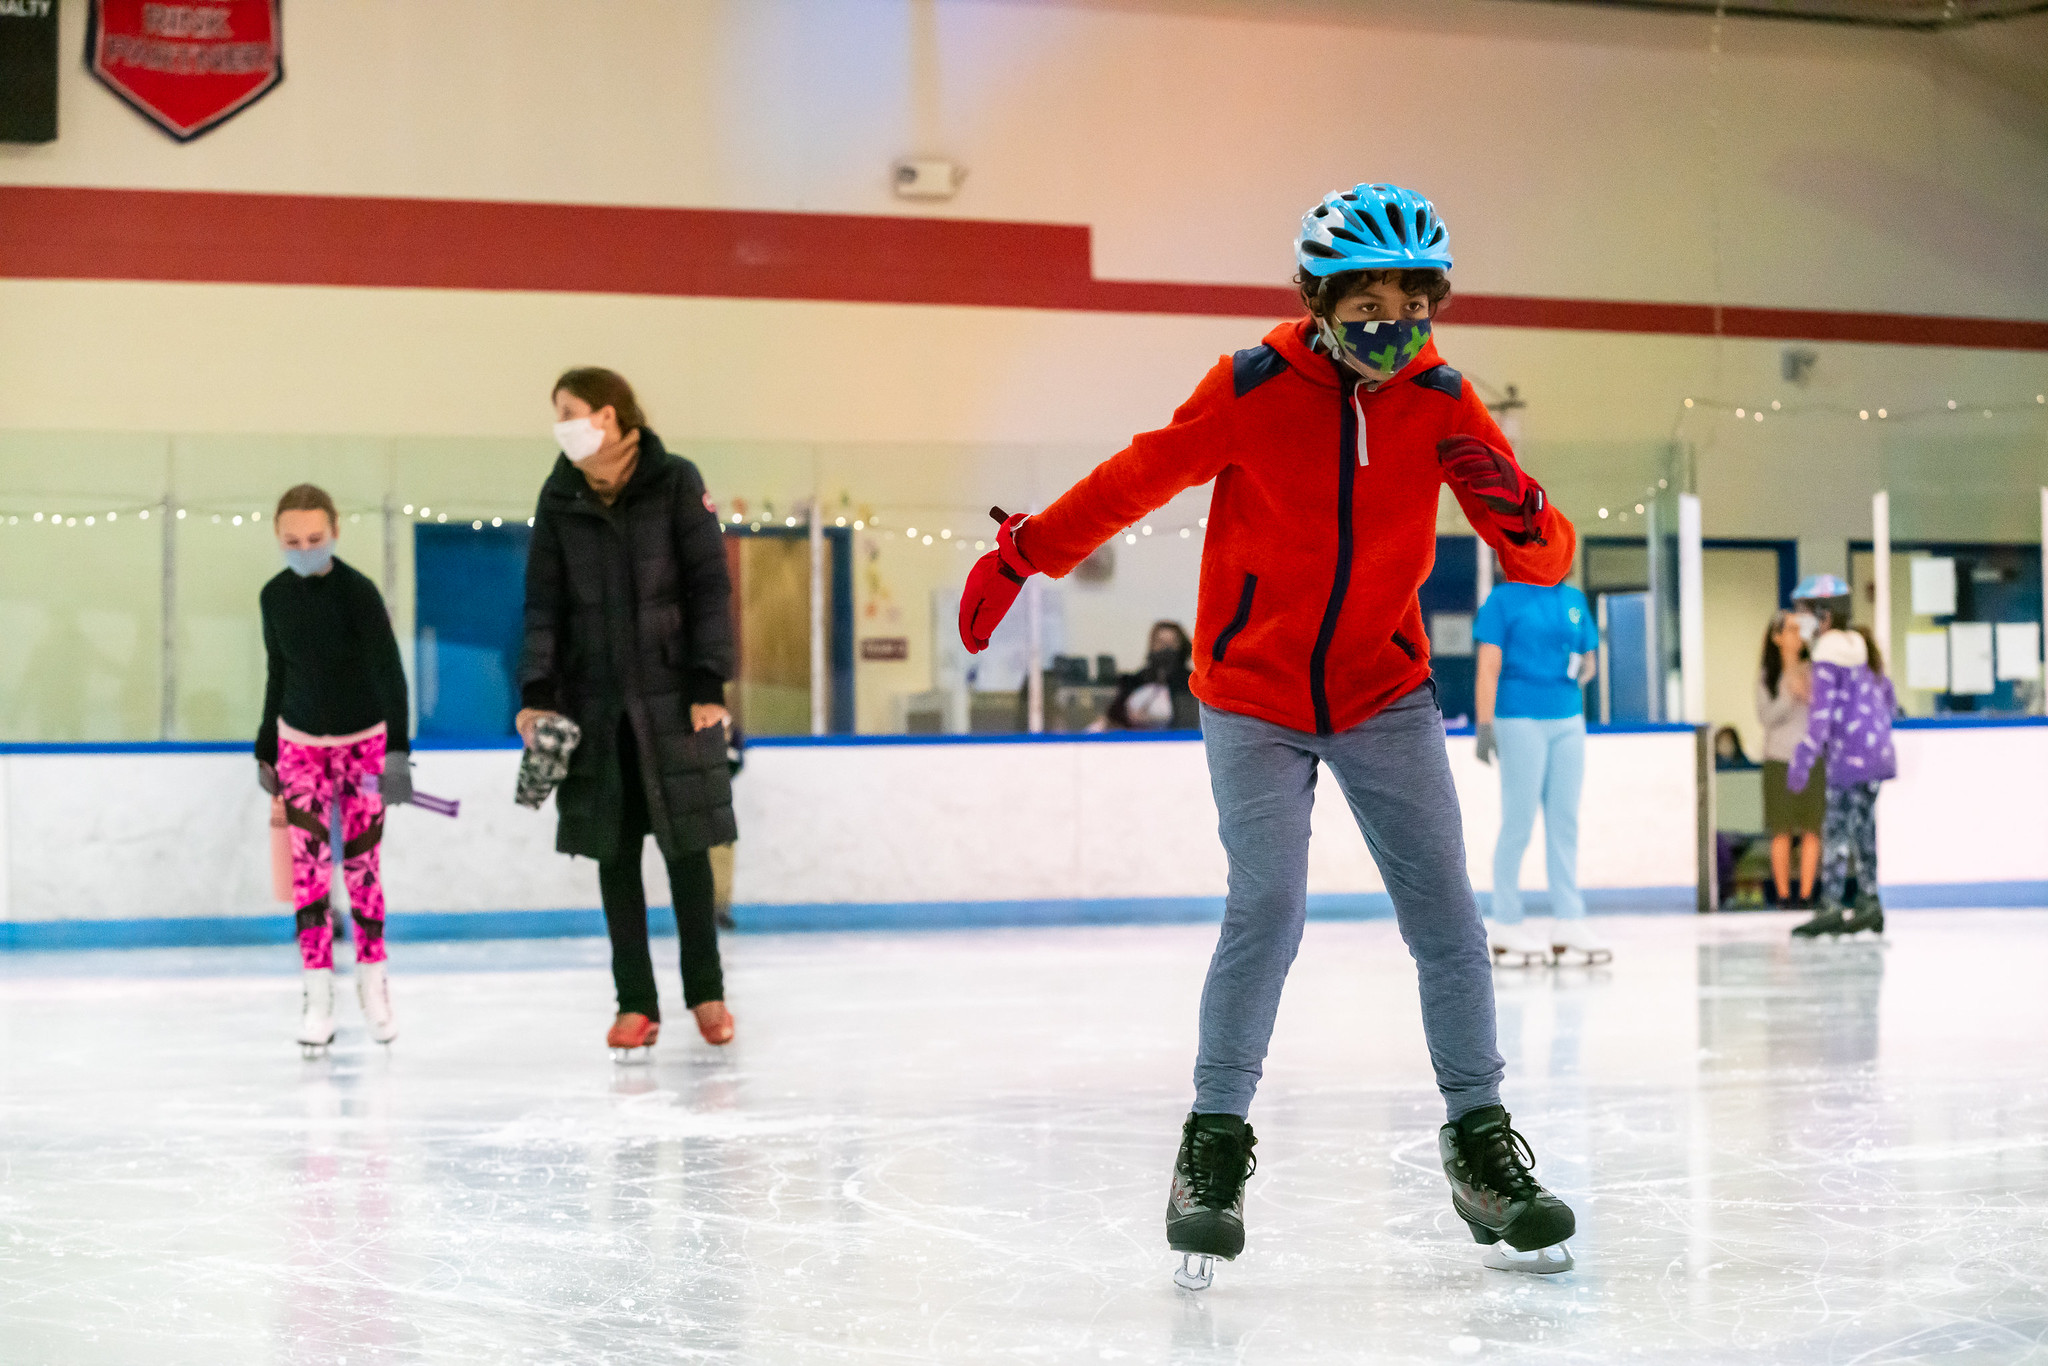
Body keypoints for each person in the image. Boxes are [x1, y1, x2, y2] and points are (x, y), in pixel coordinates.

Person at [958, 184, 1581, 1287]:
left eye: (1412, 302)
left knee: (1445, 914)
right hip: (1248, 692)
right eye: (1368, 299)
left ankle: (1480, 1142)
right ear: (1319, 298)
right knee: (1267, 904)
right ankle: (1212, 1143)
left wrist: (1516, 499)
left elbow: (1541, 561)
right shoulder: (1250, 384)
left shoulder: (1439, 398)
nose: (1391, 321)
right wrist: (1025, 554)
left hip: (1380, 693)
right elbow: (1132, 477)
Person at [515, 367, 740, 1056]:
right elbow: (542, 604)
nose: (560, 424)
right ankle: (635, 1004)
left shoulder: (674, 481)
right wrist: (537, 694)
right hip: (595, 704)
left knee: (688, 852)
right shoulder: (560, 495)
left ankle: (706, 993)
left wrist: (708, 682)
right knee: (614, 857)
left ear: (607, 417)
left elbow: (708, 587)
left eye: (569, 411)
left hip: (673, 699)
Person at [255, 484, 412, 1056]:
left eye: (315, 539)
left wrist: (397, 750)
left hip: (363, 748)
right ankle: (316, 996)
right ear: (278, 538)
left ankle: (374, 985)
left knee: (363, 870)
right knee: (309, 875)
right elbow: (278, 670)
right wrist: (265, 744)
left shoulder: (358, 593)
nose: (304, 549)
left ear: (336, 532)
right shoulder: (273, 596)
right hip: (299, 749)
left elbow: (391, 675)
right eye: (292, 541)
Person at [1472, 579, 1606, 966]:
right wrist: (1484, 726)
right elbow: (1488, 667)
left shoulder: (1575, 599)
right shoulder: (1503, 600)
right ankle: (1507, 923)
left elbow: (1589, 659)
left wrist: (1581, 668)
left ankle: (1569, 918)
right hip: (1519, 717)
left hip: (1568, 718)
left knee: (1564, 821)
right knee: (1519, 821)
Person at [1785, 575, 1895, 938]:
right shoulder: (1862, 650)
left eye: (1803, 613)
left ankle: (1831, 905)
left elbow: (1822, 715)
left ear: (1824, 615)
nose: (1799, 622)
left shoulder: (1828, 653)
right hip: (1875, 754)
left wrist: (1802, 760)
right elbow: (1888, 700)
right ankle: (1869, 901)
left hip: (1847, 758)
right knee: (1864, 829)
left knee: (1835, 830)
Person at [1757, 609, 1823, 908]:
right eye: (1791, 630)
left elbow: (1824, 711)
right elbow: (1766, 716)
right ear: (1777, 637)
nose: (1798, 636)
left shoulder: (1814, 670)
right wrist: (1789, 696)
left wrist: (1810, 695)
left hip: (1811, 757)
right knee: (1781, 829)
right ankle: (1783, 894)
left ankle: (1808, 893)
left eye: (1800, 630)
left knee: (1813, 828)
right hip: (1778, 759)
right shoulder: (1767, 676)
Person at [1099, 620, 1198, 730]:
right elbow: (1115, 718)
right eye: (1161, 643)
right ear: (1152, 645)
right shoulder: (1136, 681)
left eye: (1172, 643)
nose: (1166, 648)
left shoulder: (1191, 684)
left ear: (1181, 646)